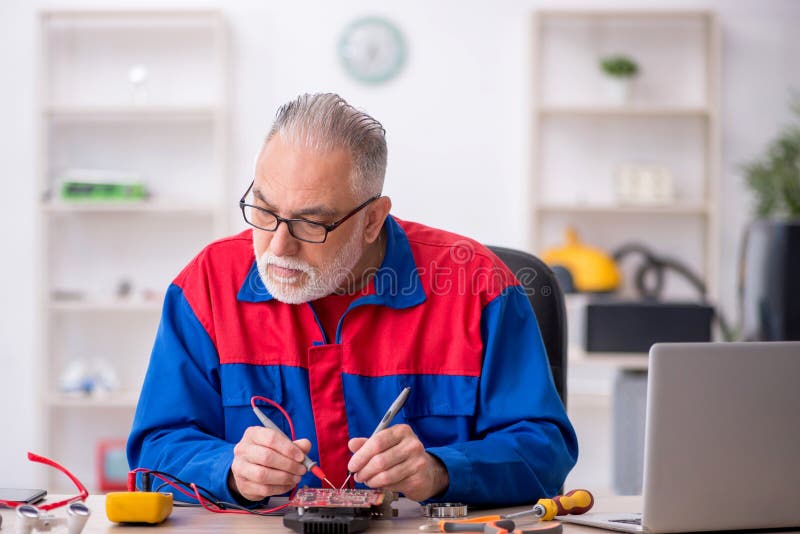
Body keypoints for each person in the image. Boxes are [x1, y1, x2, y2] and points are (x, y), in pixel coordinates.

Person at [127, 93, 578, 505]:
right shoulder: (207, 284)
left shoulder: (478, 287)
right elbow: (153, 452)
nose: (278, 247)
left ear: (371, 220)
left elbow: (545, 450)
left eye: (310, 223)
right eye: (263, 211)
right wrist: (229, 471)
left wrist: (439, 471)